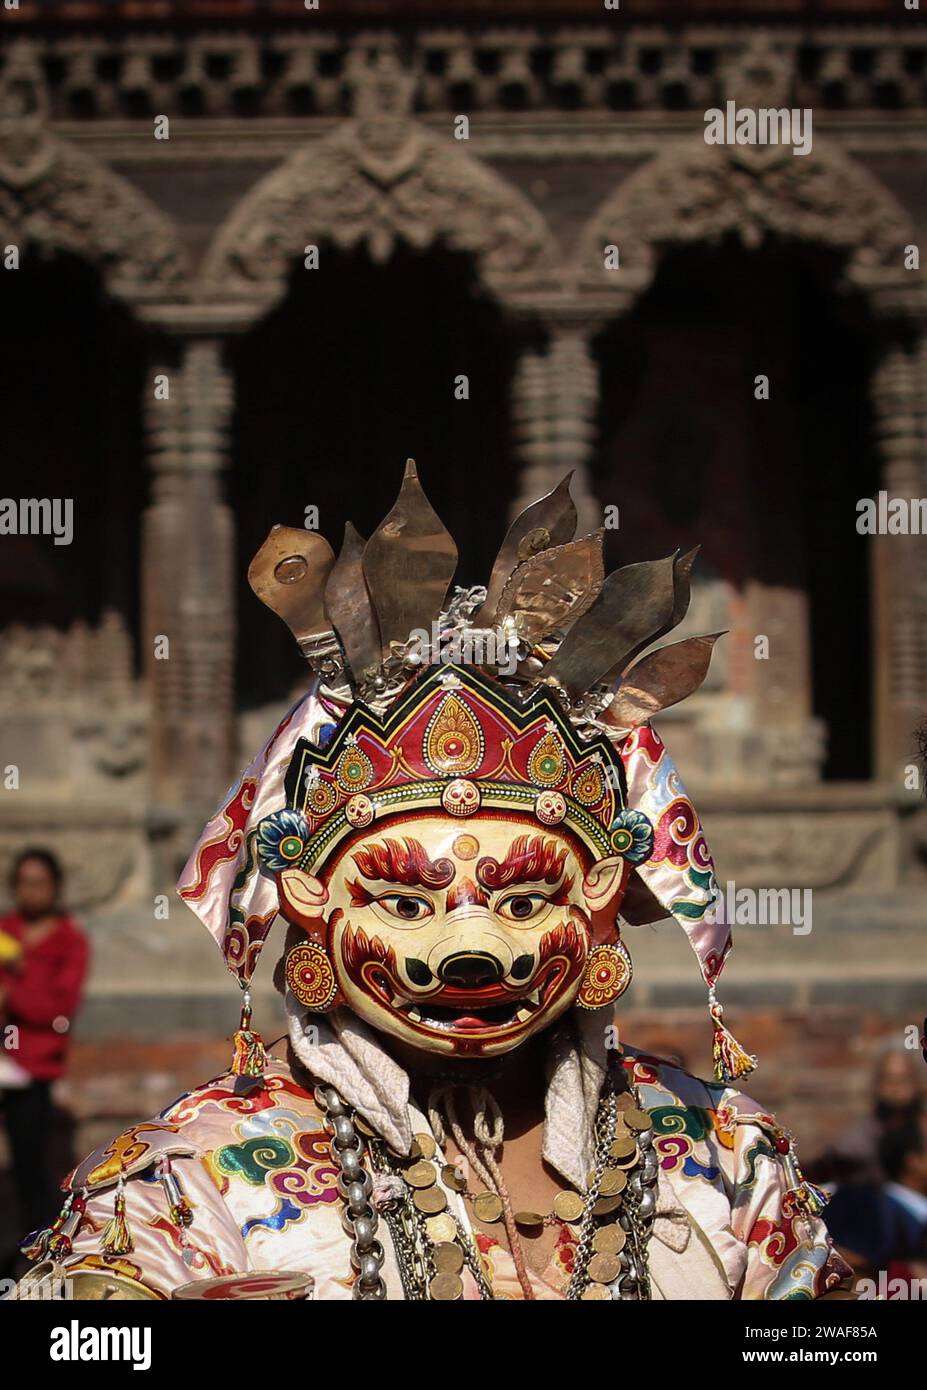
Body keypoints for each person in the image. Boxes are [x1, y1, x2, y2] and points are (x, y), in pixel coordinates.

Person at [16, 466, 853, 1301]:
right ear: (310, 901)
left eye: (523, 902)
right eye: (405, 903)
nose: (472, 954)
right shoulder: (186, 1189)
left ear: (597, 896)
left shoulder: (723, 1160)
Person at [0, 848, 89, 1268]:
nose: (30, 891)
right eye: (23, 883)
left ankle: (33, 1251)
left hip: (32, 1070)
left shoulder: (69, 942)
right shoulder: (7, 930)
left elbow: (57, 1012)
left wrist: (15, 988)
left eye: (39, 882)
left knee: (30, 1164)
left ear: (54, 888)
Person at [814, 1048, 924, 1186]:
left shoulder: (923, 1130)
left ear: (917, 1083)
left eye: (904, 1079)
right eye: (888, 1079)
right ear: (877, 1085)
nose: (896, 1087)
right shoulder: (855, 1142)